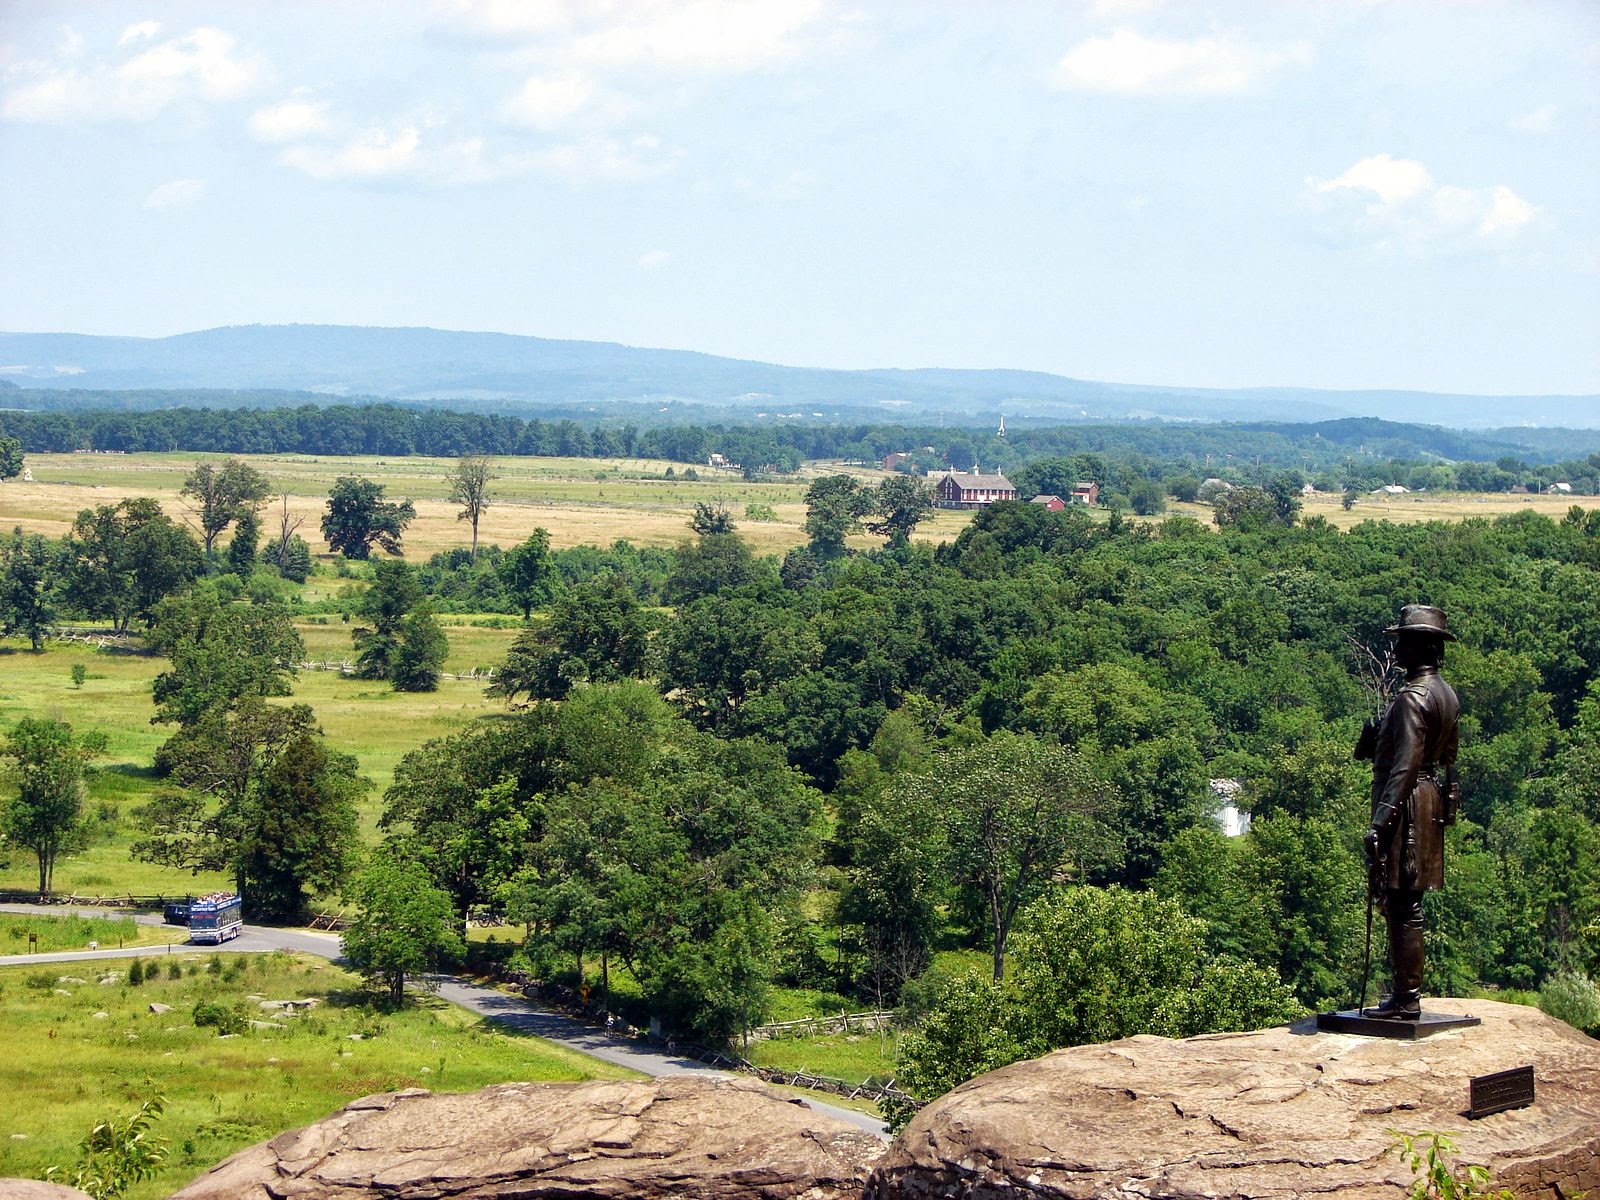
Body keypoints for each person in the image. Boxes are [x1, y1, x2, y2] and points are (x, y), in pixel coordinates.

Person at [1357, 605, 1461, 1019]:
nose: (1397, 646)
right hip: (1429, 803)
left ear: (1423, 646)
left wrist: (1380, 822)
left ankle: (1406, 999)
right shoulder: (1446, 695)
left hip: (1408, 812)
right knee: (1407, 905)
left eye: (1404, 639)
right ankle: (1406, 995)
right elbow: (1448, 757)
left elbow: (1403, 768)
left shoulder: (1412, 698)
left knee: (1402, 906)